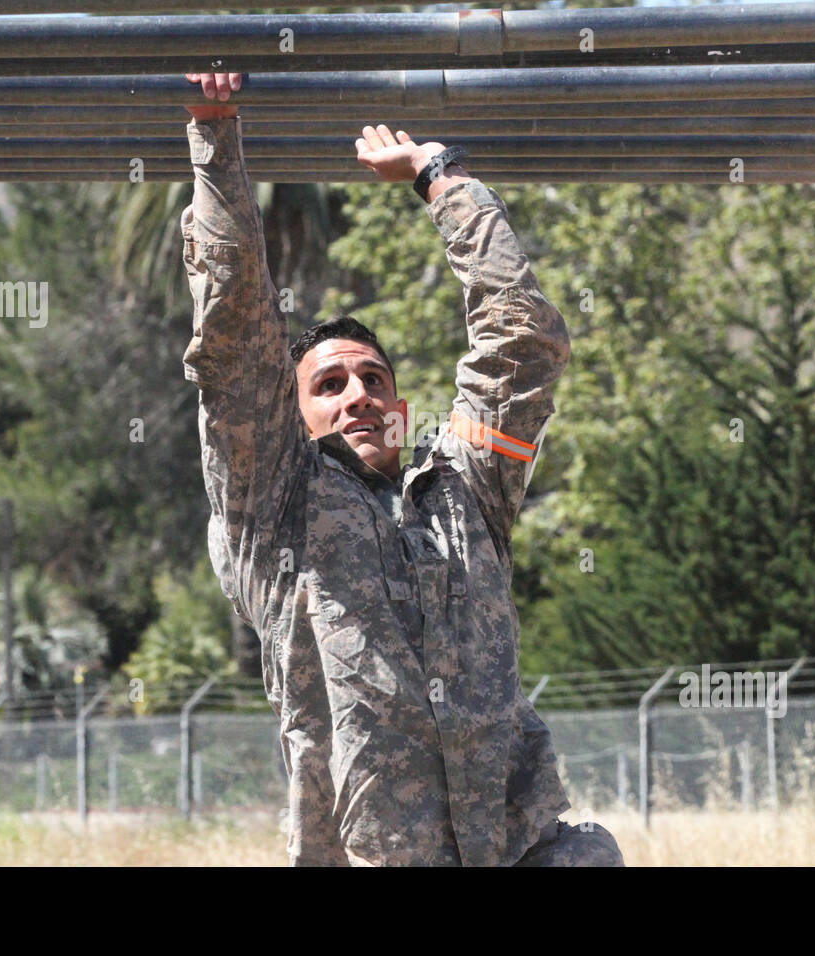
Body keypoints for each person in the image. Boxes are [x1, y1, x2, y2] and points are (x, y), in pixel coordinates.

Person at [180, 71, 624, 867]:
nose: (357, 396)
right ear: (295, 412)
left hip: (516, 847)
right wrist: (217, 139)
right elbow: (236, 342)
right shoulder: (272, 506)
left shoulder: (466, 490)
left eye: (373, 379)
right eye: (329, 384)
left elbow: (523, 345)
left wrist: (439, 180)